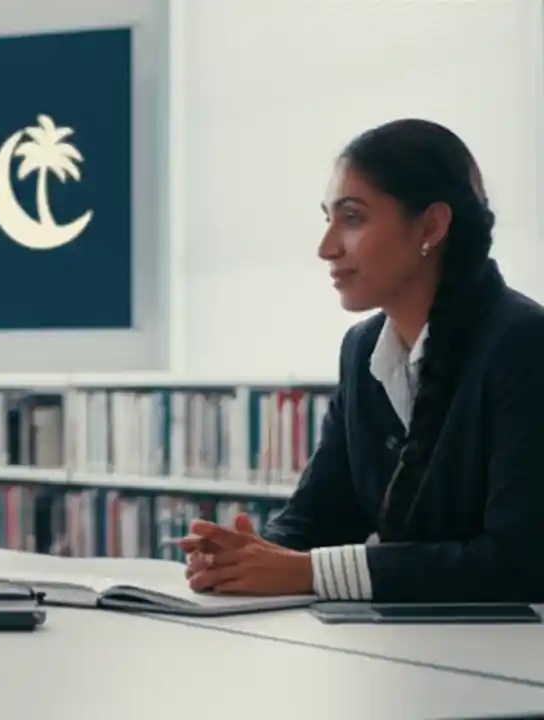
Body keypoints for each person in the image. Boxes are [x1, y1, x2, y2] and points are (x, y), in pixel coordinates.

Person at [178, 118, 544, 603]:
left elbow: (518, 563)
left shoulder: (524, 343)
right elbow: (321, 513)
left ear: (431, 226)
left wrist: (308, 572)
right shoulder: (361, 349)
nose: (326, 248)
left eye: (352, 218)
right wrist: (244, 557)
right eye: (327, 219)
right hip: (404, 642)